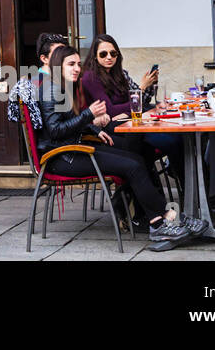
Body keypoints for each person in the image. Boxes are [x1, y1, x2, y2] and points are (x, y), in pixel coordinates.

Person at [32, 46, 204, 247]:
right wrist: (89, 114)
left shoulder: (62, 87)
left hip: (75, 149)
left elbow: (70, 121)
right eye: (71, 64)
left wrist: (95, 130)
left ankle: (161, 218)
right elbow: (55, 131)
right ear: (56, 66)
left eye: (78, 64)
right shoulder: (51, 90)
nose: (77, 69)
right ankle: (164, 221)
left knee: (137, 158)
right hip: (63, 158)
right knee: (133, 165)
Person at [79, 35, 181, 179]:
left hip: (130, 124)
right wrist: (140, 91)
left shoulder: (121, 74)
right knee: (166, 142)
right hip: (112, 129)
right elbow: (110, 110)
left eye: (113, 53)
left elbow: (141, 103)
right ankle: (150, 186)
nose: (109, 57)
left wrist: (149, 86)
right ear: (95, 57)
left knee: (176, 137)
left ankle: (178, 179)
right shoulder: (91, 77)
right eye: (103, 54)